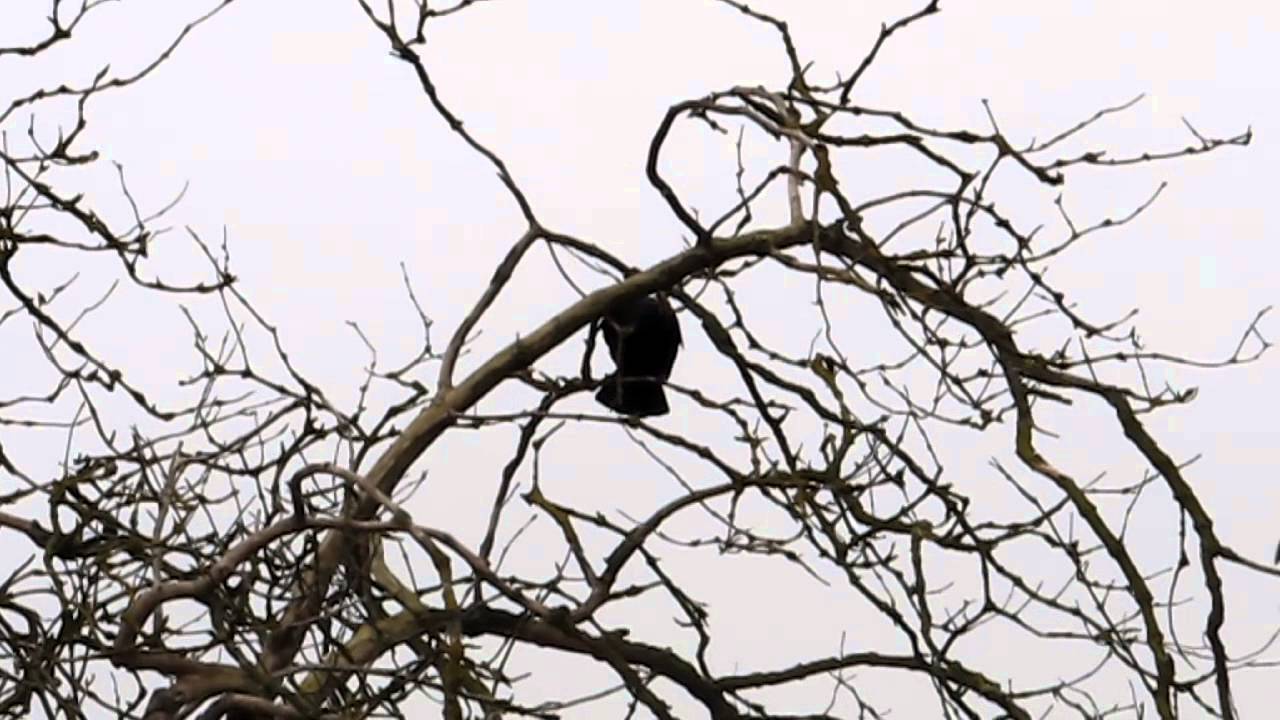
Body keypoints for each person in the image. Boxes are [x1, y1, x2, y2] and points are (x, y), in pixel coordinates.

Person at [596, 293, 681, 417]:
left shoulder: (617, 306)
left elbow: (610, 336)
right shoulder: (663, 310)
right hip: (649, 373)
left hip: (636, 373)